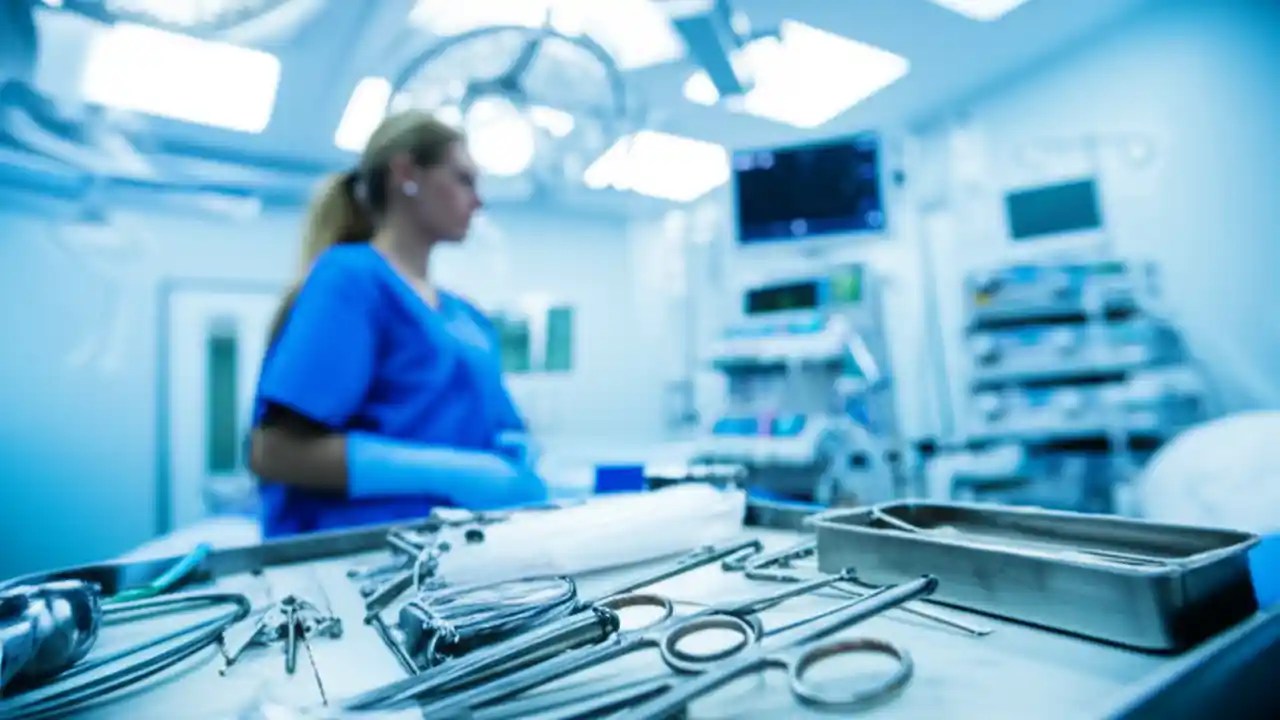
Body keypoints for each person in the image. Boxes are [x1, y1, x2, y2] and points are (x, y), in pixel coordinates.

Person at [247, 110, 547, 538]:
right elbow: (274, 452)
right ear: (406, 173)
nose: (478, 201)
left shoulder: (467, 316)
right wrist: (456, 474)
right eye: (463, 179)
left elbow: (498, 430)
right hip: (363, 560)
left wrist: (512, 456)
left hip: (462, 557)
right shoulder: (352, 279)